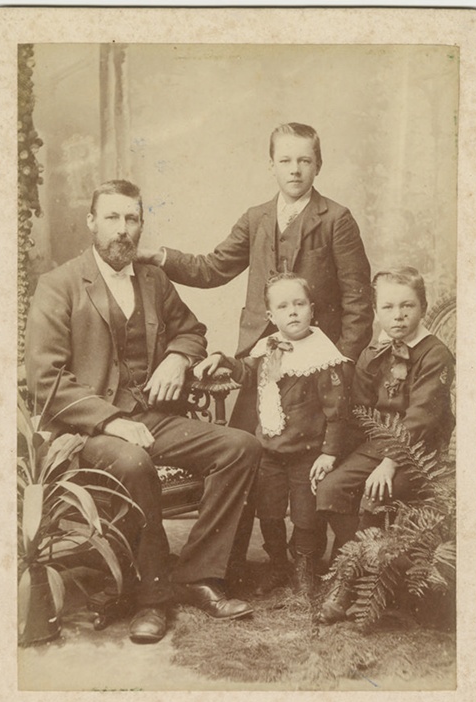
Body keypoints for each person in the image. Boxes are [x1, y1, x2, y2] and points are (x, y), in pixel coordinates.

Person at [25, 179, 262, 645]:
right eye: (112, 218)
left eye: (131, 219)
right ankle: (151, 598)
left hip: (150, 416)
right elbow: (45, 380)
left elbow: (192, 330)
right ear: (92, 223)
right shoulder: (59, 285)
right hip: (86, 431)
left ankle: (197, 574)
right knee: (133, 463)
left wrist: (177, 357)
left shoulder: (153, 280)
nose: (122, 230)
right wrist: (111, 420)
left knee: (241, 447)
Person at [139, 121, 374, 568]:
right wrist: (160, 257)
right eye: (285, 160)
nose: (295, 169)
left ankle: (309, 559)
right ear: (271, 165)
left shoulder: (336, 219)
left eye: (305, 160)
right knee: (247, 454)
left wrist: (341, 361)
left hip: (315, 363)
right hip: (260, 363)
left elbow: (358, 298)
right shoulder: (256, 218)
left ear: (318, 164)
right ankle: (234, 565)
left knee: (311, 458)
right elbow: (212, 268)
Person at [194, 273, 350, 597]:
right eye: (283, 306)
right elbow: (248, 373)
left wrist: (330, 452)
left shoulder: (322, 355)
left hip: (306, 453)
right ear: (271, 316)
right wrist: (222, 360)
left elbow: (337, 412)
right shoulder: (267, 347)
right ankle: (278, 564)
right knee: (269, 512)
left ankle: (304, 567)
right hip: (270, 452)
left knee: (306, 518)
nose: (293, 312)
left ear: (312, 308)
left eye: (300, 304)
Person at [314, 266, 455, 623]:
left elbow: (422, 418)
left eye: (407, 306)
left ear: (422, 306)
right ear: (376, 311)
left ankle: (349, 588)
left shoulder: (435, 354)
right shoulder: (373, 352)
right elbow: (360, 412)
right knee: (331, 489)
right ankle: (359, 566)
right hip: (378, 447)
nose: (398, 316)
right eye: (388, 307)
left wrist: (391, 462)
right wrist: (334, 454)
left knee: (375, 494)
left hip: (421, 454)